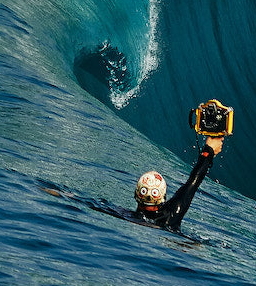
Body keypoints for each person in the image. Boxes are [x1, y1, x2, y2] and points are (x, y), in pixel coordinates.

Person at [47, 98, 233, 235]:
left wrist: (60, 193)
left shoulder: (123, 214)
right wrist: (209, 150)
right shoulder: (171, 215)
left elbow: (85, 201)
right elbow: (193, 182)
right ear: (163, 196)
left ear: (136, 195)